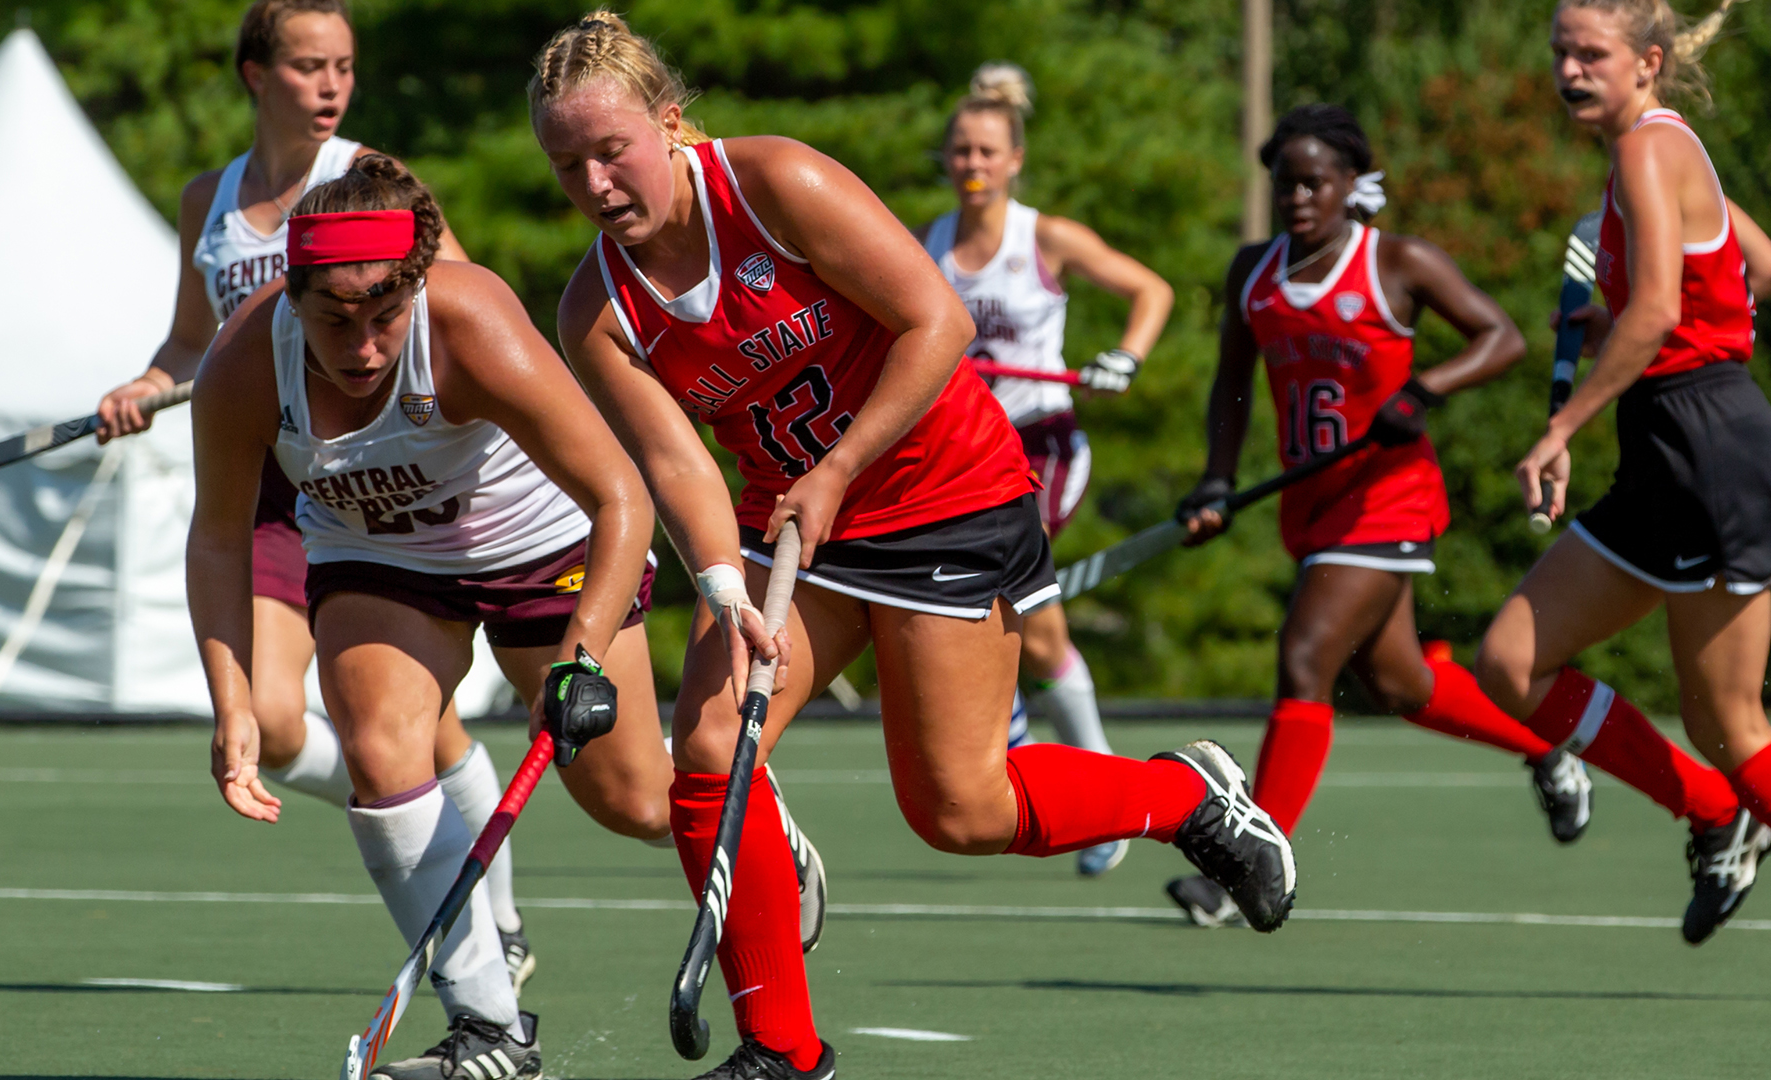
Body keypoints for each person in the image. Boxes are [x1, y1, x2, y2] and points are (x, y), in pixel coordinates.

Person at [531, 13, 1295, 1079]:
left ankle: (1184, 800)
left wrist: (839, 468)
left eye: (611, 150)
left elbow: (938, 321)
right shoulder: (598, 313)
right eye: (568, 165)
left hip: (943, 497)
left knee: (960, 809)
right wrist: (724, 589)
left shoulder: (776, 185)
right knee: (708, 751)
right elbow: (679, 469)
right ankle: (783, 1053)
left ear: (670, 125)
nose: (597, 182)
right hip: (787, 530)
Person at [187, 156, 657, 1078]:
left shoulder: (471, 321)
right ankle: (489, 1028)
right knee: (379, 746)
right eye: (335, 320)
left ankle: (758, 826)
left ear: (416, 291)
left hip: (539, 549)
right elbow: (218, 539)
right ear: (292, 294)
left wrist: (582, 659)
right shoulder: (245, 361)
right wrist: (233, 702)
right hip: (382, 555)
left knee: (633, 800)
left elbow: (620, 496)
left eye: (383, 319)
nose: (363, 347)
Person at [1166, 102, 1637, 926]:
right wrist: (1213, 480)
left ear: (1354, 185)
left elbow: (1500, 337)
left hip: (1390, 496)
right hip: (1312, 504)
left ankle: (1248, 862)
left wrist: (1423, 390)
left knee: (1306, 654)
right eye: (1286, 184)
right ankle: (1544, 744)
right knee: (1400, 682)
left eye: (1316, 182)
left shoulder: (1396, 262)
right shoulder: (1255, 271)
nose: (1299, 197)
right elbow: (1231, 385)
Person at [1475, 0, 1771, 946]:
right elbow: (1751, 268)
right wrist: (1686, 327)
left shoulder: (1649, 151)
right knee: (1511, 662)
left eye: (1590, 53)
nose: (1569, 70)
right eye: (1560, 52)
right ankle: (1713, 814)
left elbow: (1652, 315)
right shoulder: (1658, 153)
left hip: (1708, 448)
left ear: (1646, 61)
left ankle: (1729, 805)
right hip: (1667, 447)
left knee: (1730, 721)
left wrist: (1560, 426)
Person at [920, 62, 1176, 878]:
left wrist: (1125, 359)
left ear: (1015, 157)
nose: (972, 163)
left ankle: (1103, 798)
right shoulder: (929, 242)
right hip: (964, 453)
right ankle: (1070, 775)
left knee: (1023, 618)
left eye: (987, 150)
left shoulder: (1045, 238)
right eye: (960, 150)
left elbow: (1152, 290)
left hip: (1041, 449)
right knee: (1006, 622)